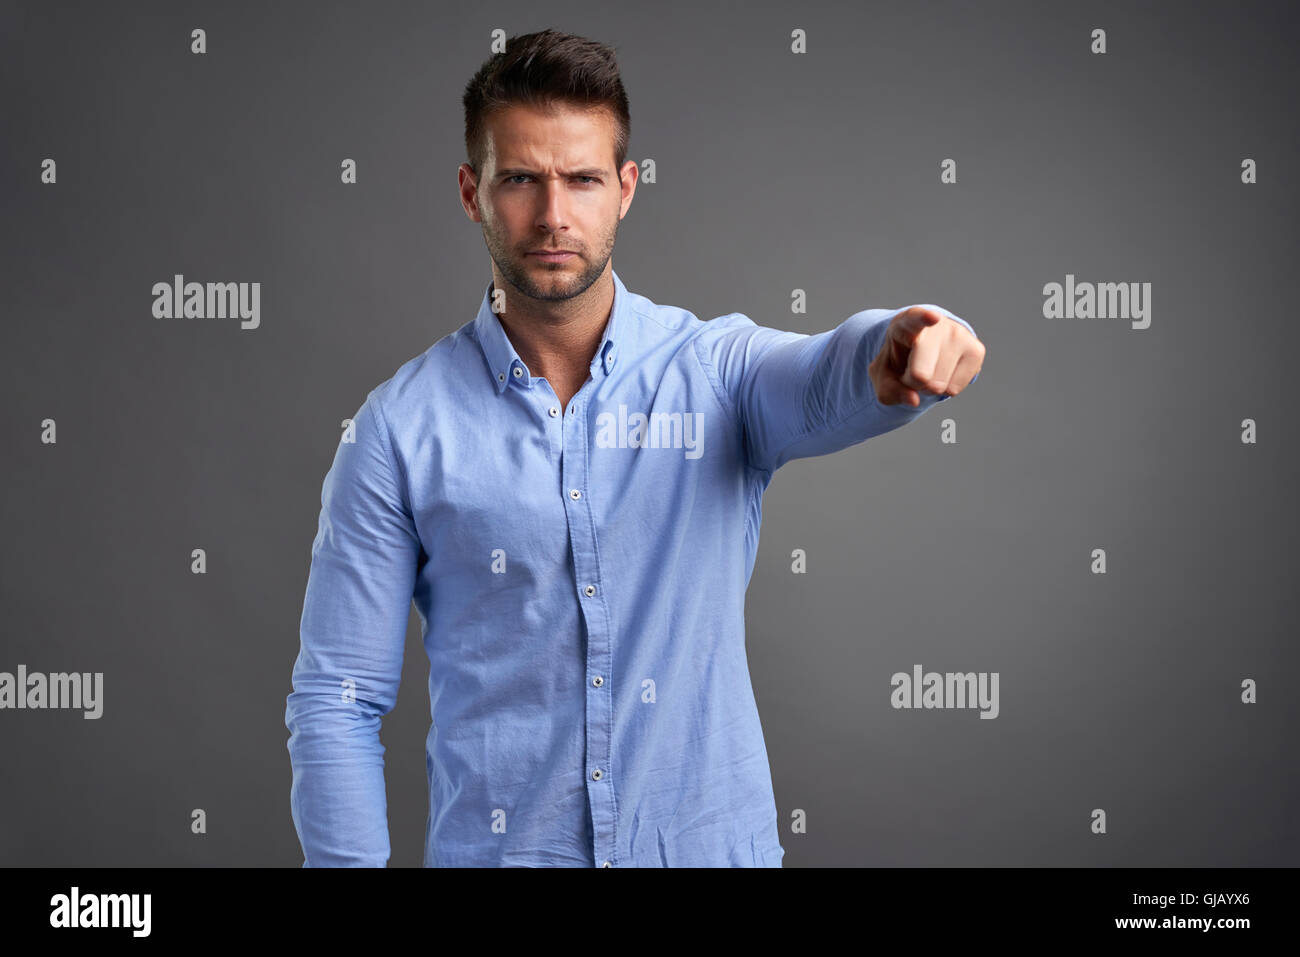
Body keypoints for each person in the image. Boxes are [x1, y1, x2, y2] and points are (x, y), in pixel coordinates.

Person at [284, 28, 985, 868]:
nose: (553, 215)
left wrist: (903, 344)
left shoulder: (715, 374)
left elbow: (823, 373)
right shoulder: (397, 432)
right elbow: (338, 699)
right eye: (521, 180)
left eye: (582, 179)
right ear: (472, 192)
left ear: (624, 189)